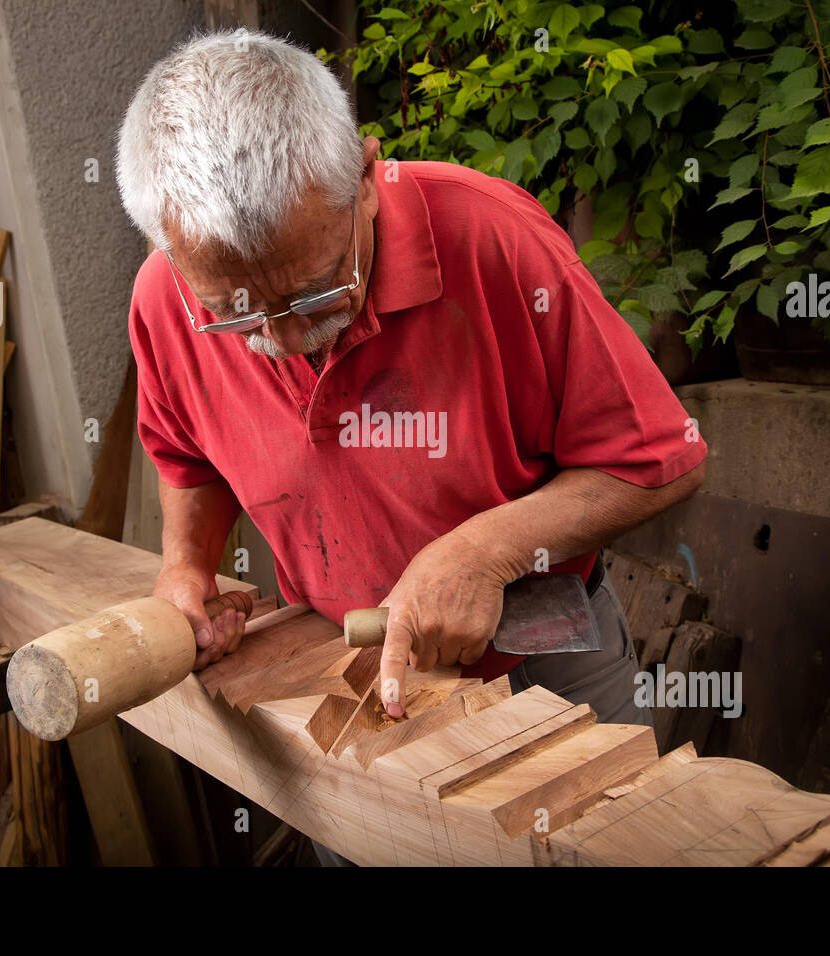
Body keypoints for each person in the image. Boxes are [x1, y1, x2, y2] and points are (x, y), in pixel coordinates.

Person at [117, 30, 707, 866]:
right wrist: (185, 562)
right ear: (171, 252)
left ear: (364, 176)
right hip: (342, 669)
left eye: (315, 291)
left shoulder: (493, 239)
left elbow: (659, 458)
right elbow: (185, 453)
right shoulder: (165, 300)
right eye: (239, 315)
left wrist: (485, 551)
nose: (283, 338)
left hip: (540, 650)